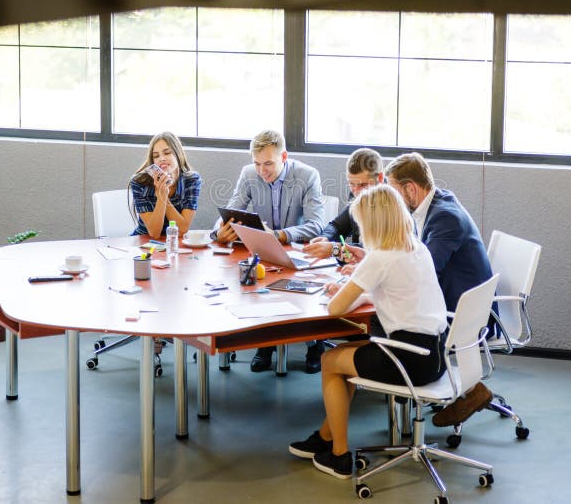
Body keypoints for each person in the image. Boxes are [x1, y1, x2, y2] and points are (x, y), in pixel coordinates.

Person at [288, 184, 449, 479]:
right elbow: (393, 293)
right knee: (343, 356)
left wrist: (341, 292)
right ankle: (324, 437)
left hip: (409, 359)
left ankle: (338, 455)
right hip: (434, 353)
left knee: (329, 362)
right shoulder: (416, 247)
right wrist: (357, 292)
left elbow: (335, 309)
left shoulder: (381, 257)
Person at [384, 152, 495, 426]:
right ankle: (458, 388)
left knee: (387, 318)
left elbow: (425, 271)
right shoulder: (436, 204)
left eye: (394, 191)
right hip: (463, 300)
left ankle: (412, 388)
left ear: (410, 188)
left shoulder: (445, 217)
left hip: (462, 312)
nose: (392, 199)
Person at [213, 129, 326, 373]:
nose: (262, 170)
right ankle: (265, 343)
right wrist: (219, 232)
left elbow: (317, 225)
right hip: (261, 252)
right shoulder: (249, 174)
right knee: (247, 282)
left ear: (283, 157)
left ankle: (315, 344)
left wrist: (280, 235)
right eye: (257, 163)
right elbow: (231, 210)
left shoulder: (307, 176)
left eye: (268, 164)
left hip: (296, 252)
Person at [302, 148, 383, 264]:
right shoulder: (356, 195)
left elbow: (374, 248)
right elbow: (337, 226)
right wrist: (326, 238)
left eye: (362, 185)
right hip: (355, 269)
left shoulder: (392, 204)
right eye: (351, 184)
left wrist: (334, 249)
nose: (356, 191)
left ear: (379, 178)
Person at [129, 132, 202, 238]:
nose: (161, 158)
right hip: (144, 240)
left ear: (178, 154)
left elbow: (182, 230)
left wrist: (165, 196)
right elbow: (154, 233)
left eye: (167, 153)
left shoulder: (192, 180)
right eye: (156, 156)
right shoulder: (139, 183)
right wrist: (161, 196)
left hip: (174, 242)